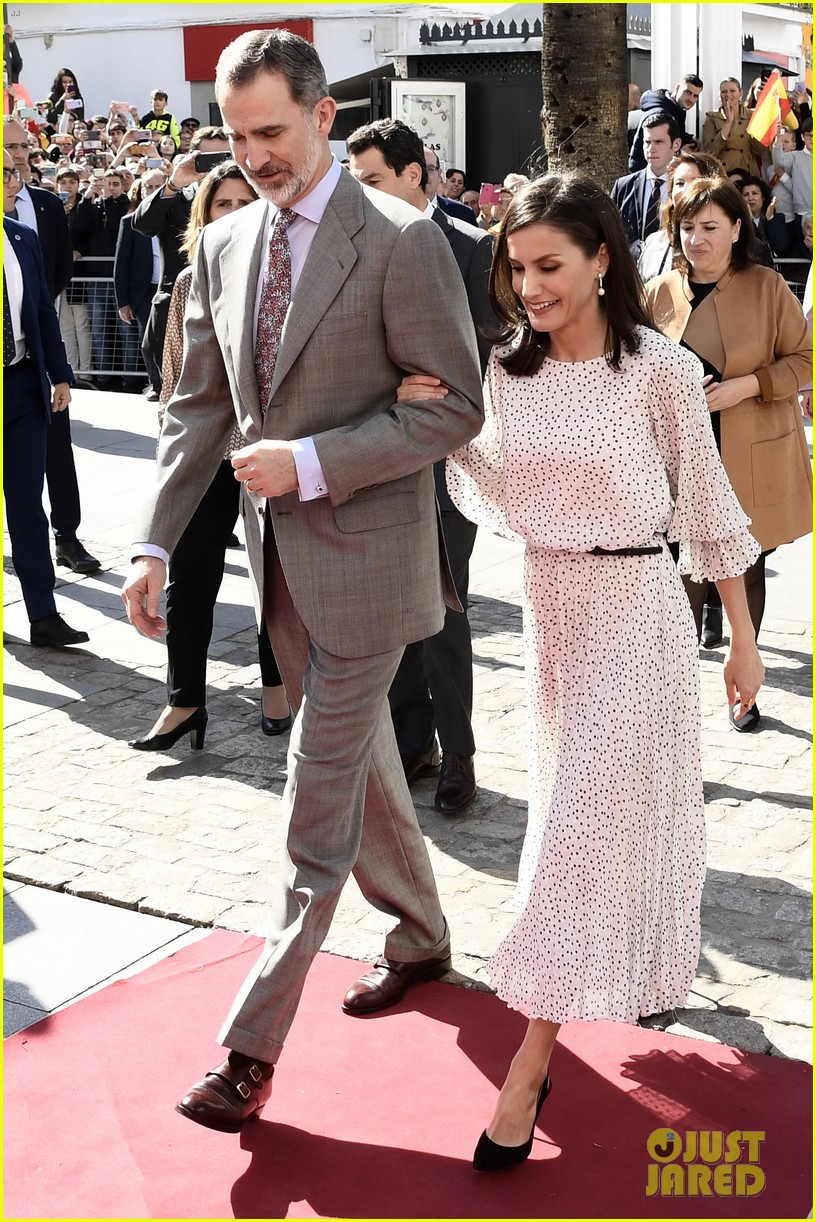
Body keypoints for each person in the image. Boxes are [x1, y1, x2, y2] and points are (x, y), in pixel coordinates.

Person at [120, 28, 483, 1134]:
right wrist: (151, 544)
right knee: (363, 767)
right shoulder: (224, 243)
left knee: (314, 798)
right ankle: (422, 938)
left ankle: (249, 1051)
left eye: (272, 131)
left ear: (326, 115)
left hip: (370, 564)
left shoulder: (402, 241)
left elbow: (456, 407)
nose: (255, 155)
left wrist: (314, 461)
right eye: (235, 137)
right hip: (276, 567)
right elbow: (197, 408)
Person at [410, 170, 764, 1170]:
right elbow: (496, 482)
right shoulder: (506, 371)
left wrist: (742, 640)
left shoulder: (661, 371)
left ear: (602, 258)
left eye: (550, 266)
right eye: (516, 268)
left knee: (575, 833)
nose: (529, 287)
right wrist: (442, 417)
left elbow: (709, 505)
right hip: (553, 614)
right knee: (575, 822)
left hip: (640, 615)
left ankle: (529, 1065)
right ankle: (577, 988)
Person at [346, 116, 496, 812]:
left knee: (443, 602)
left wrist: (429, 384)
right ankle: (413, 742)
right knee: (394, 604)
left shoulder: (470, 247)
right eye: (355, 183)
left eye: (372, 180)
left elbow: (484, 356)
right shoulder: (352, 249)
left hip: (448, 458)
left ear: (415, 175)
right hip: (377, 450)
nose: (361, 195)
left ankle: (458, 749)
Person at [128, 159, 291, 751]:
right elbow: (177, 381)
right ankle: (184, 703)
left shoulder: (283, 270)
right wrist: (173, 461)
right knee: (192, 575)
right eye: (223, 204)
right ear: (205, 214)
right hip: (208, 455)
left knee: (272, 577)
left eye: (246, 202)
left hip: (268, 453)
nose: (235, 212)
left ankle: (277, 689)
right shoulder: (189, 281)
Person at [645, 176, 812, 730]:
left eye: (710, 227)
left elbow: (805, 359)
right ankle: (672, 703)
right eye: (687, 227)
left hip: (747, 451)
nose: (697, 239)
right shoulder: (658, 291)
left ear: (738, 229)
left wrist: (748, 386)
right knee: (679, 575)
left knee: (747, 565)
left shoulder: (768, 286)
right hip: (675, 460)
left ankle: (747, 685)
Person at [3, 150, 89, 648]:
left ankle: (43, 616)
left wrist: (60, 374)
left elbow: (40, 312)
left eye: (15, 172)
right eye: (4, 173)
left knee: (28, 508)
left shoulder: (22, 238)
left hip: (22, 386)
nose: (14, 181)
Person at [637, 149, 724, 281]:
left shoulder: (728, 241)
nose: (686, 190)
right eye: (680, 183)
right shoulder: (653, 244)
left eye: (695, 182)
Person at [611, 112, 682, 254]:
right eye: (647, 142)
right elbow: (610, 230)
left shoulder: (686, 186)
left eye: (659, 142)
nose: (651, 149)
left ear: (676, 144)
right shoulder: (623, 187)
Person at [628, 73, 703, 171]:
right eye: (688, 92)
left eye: (695, 96)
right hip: (647, 170)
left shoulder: (676, 107)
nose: (691, 99)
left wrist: (689, 138)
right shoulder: (661, 113)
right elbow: (656, 145)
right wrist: (680, 152)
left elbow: (673, 134)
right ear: (677, 88)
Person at [703, 78, 764, 174]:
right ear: (719, 95)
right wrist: (728, 123)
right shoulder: (712, 117)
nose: (728, 95)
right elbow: (709, 152)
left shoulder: (752, 115)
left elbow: (759, 150)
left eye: (732, 91)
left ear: (740, 93)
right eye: (724, 92)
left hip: (748, 171)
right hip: (724, 172)